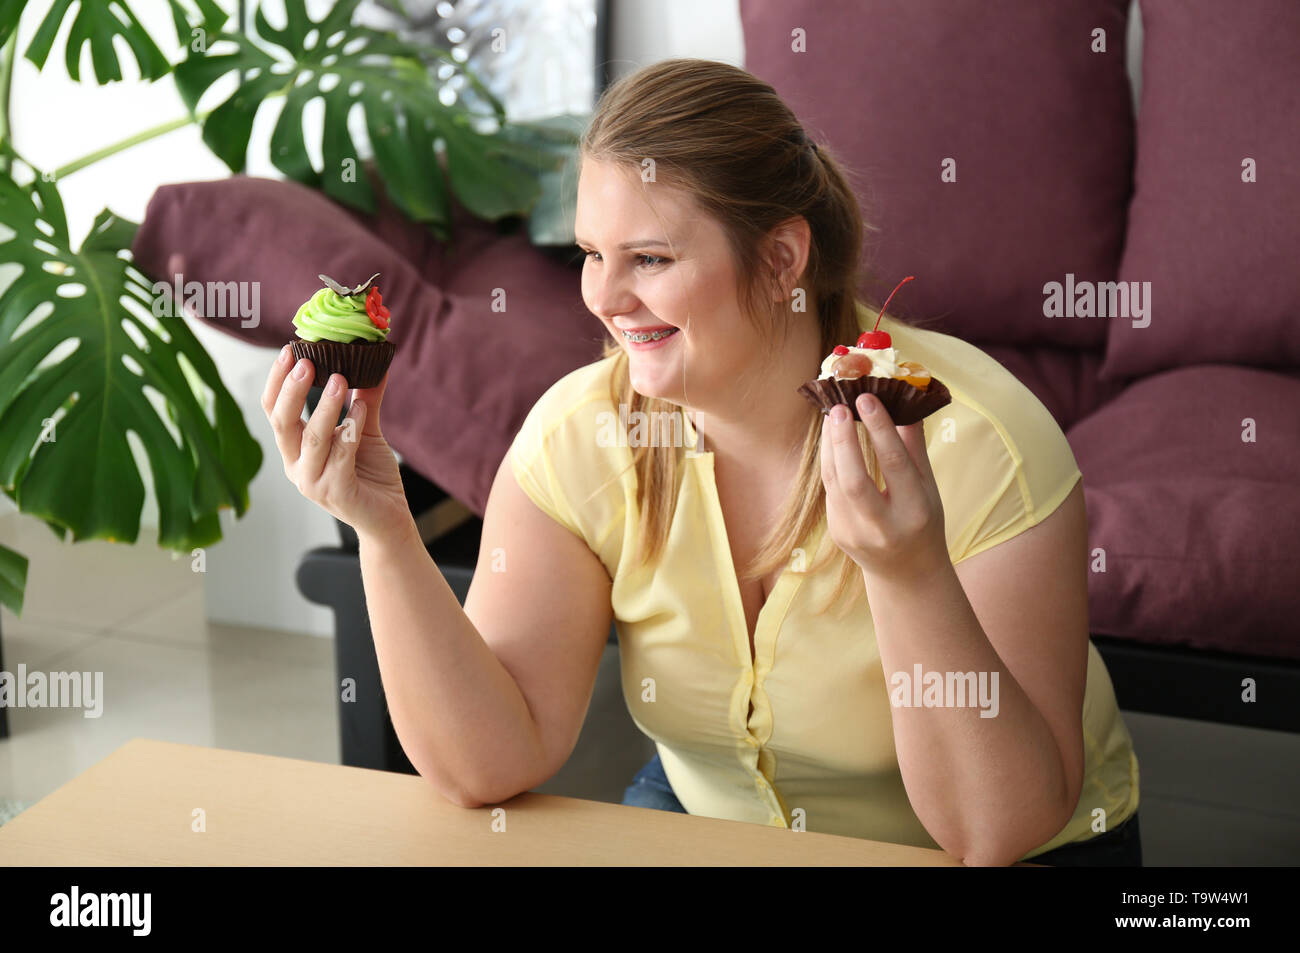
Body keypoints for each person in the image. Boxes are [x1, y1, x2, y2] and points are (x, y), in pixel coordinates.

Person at [263, 58, 1140, 866]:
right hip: (712, 819)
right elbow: (487, 763)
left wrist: (909, 572)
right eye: (592, 257)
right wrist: (382, 528)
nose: (604, 300)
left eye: (650, 259)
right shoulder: (584, 434)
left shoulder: (978, 440)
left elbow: (996, 831)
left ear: (782, 259)